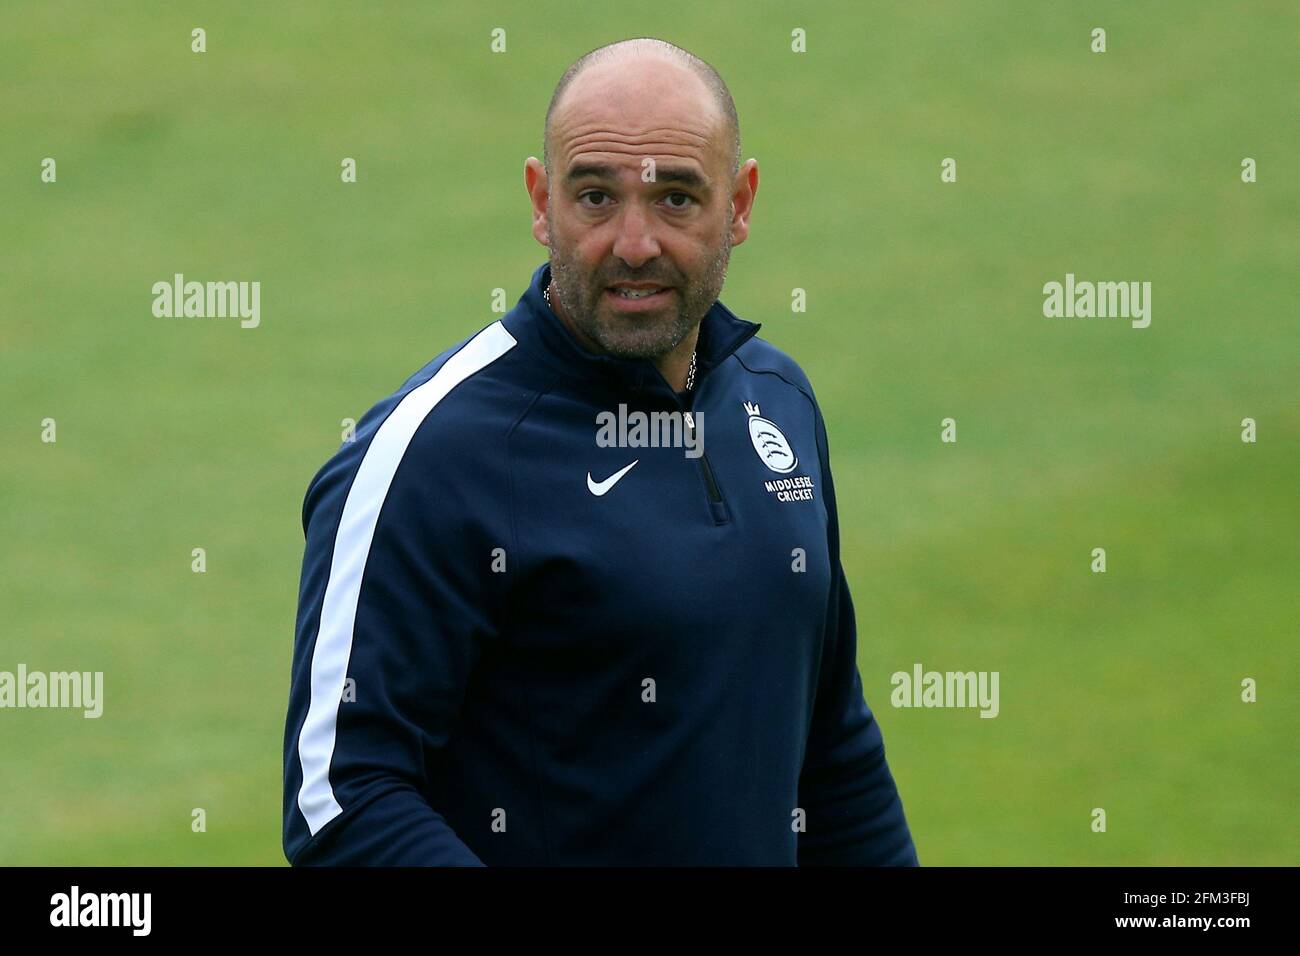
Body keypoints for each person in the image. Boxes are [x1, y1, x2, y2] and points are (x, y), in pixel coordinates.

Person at [282, 37, 918, 866]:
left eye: (677, 200)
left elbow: (830, 745)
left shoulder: (778, 401)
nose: (634, 243)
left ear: (742, 203)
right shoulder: (429, 458)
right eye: (595, 197)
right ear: (542, 203)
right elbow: (341, 797)